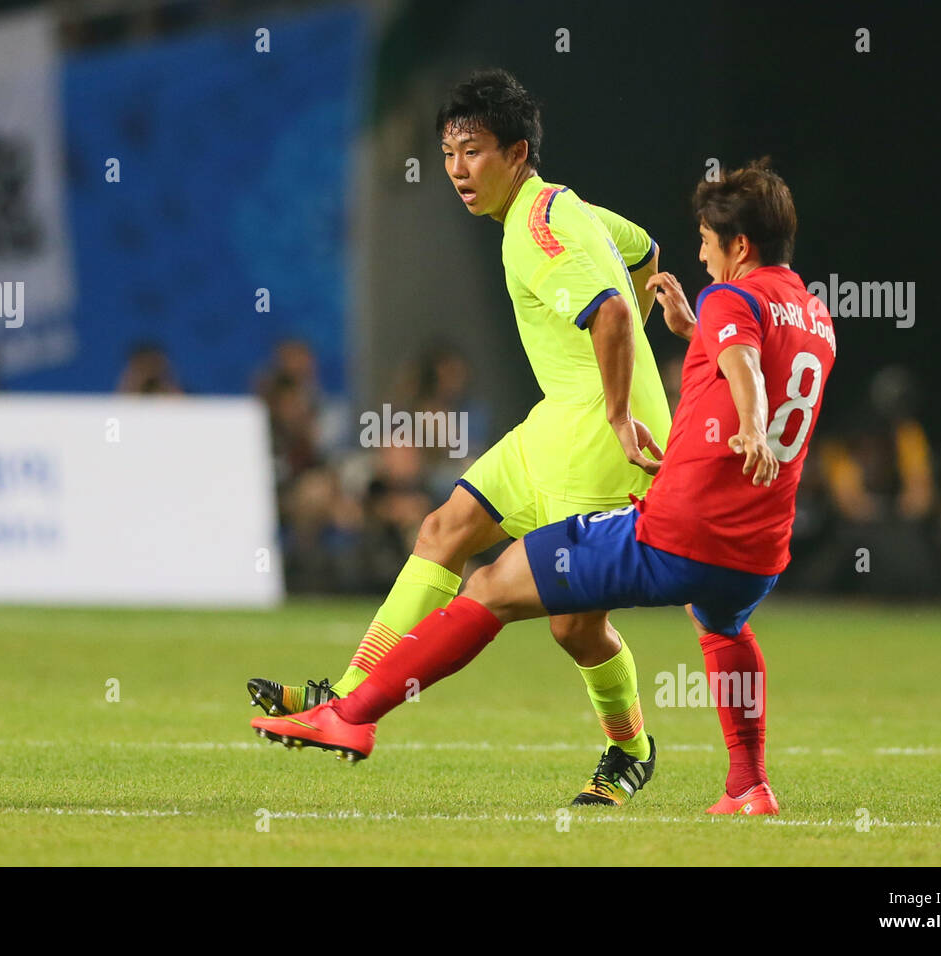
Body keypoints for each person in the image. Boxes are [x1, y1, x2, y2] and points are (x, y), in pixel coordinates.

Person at [253, 159, 836, 816]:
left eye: (707, 244)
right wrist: (691, 338)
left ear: (740, 247)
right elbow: (745, 348)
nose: (702, 260)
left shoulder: (729, 297)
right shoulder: (814, 314)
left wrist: (749, 421)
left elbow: (743, 365)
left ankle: (352, 715)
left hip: (675, 534)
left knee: (494, 587)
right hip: (755, 551)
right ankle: (748, 786)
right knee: (722, 628)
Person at [247, 68, 672, 805]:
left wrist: (617, 406)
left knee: (574, 628)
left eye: (472, 153)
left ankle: (630, 748)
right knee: (444, 527)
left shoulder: (536, 234)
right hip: (559, 423)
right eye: (448, 154)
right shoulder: (561, 210)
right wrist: (625, 358)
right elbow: (642, 254)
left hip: (603, 446)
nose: (456, 170)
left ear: (516, 152)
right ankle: (346, 696)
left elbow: (607, 311)